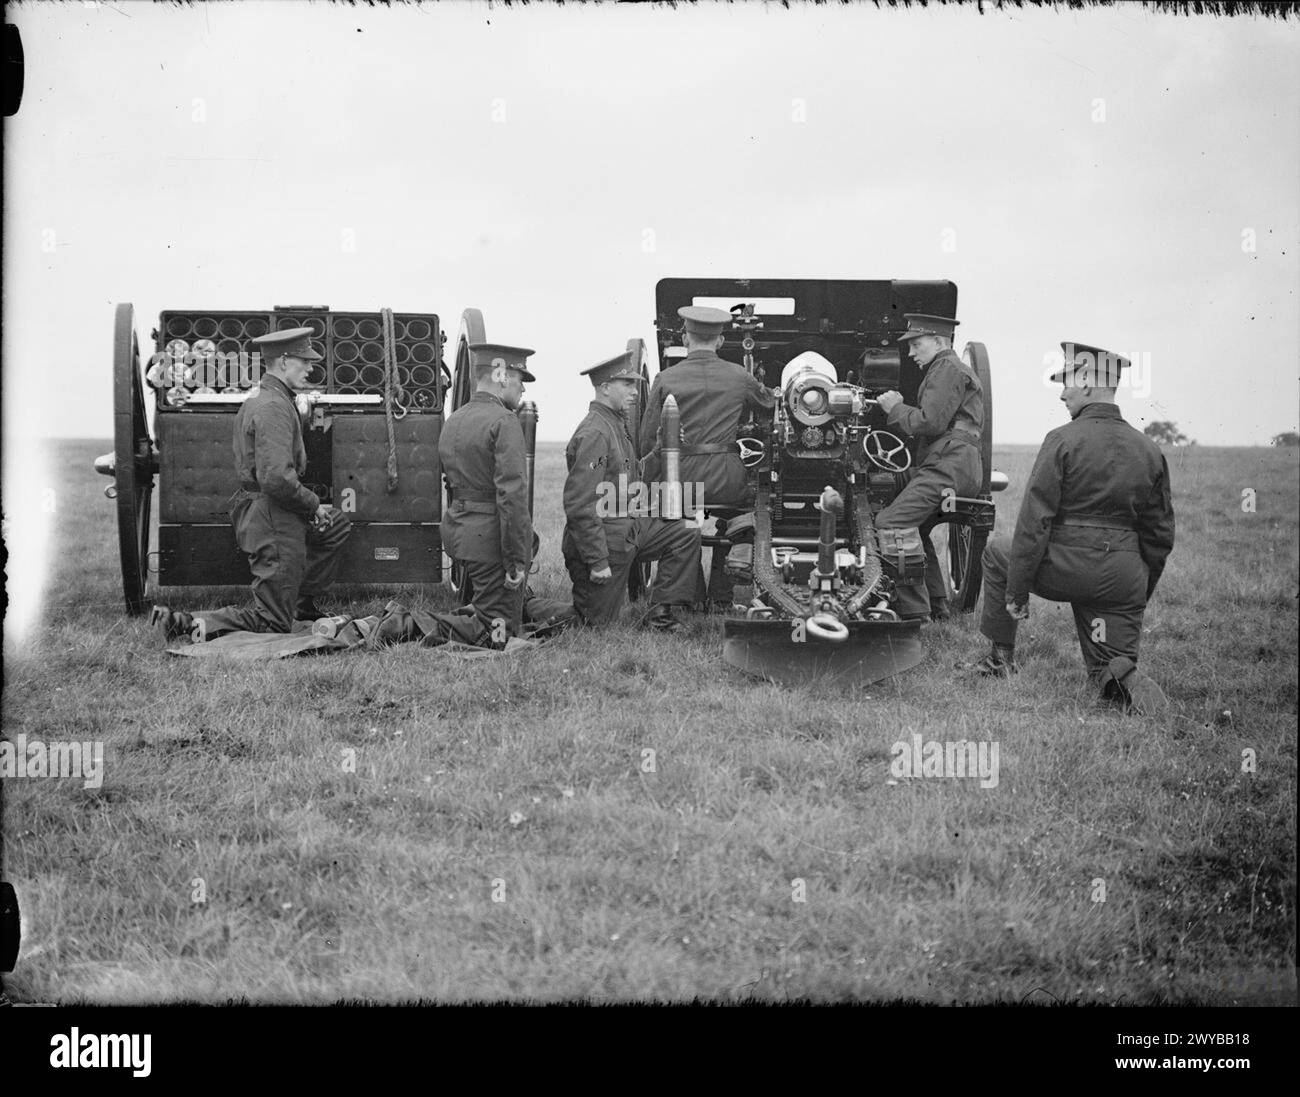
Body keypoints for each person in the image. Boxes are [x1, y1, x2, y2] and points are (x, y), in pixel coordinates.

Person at [968, 342, 1175, 715]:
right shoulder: (1149, 449)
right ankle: (1123, 680)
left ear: (1090, 384)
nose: (1063, 393)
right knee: (1109, 669)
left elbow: (1034, 523)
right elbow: (1160, 535)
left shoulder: (1061, 439)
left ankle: (1000, 660)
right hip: (1122, 579)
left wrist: (1017, 592)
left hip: (1064, 570)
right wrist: (1140, 587)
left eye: (1068, 383)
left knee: (998, 548)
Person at [152, 327, 350, 641]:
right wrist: (313, 503)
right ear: (284, 362)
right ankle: (187, 622)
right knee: (273, 624)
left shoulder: (265, 397)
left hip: (269, 510)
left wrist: (316, 510)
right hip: (273, 516)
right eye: (304, 361)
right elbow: (275, 478)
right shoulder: (273, 407)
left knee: (335, 525)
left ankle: (300, 605)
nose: (311, 368)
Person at [637, 305, 775, 607]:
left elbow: (648, 437)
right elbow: (769, 405)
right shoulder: (739, 376)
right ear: (721, 342)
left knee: (684, 527)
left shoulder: (666, 377)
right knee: (735, 521)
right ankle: (722, 597)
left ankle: (694, 595)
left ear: (685, 339)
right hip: (726, 480)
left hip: (680, 480)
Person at [564, 351, 701, 631]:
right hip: (606, 543)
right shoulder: (595, 433)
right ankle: (527, 607)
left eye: (634, 384)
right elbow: (580, 505)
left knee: (686, 529)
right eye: (626, 385)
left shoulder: (614, 423)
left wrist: (659, 450)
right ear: (604, 388)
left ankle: (660, 615)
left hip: (628, 530)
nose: (634, 392)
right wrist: (597, 561)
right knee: (591, 624)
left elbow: (633, 479)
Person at [874, 312, 984, 621]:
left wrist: (895, 408)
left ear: (938, 341)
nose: (911, 354)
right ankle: (937, 606)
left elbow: (929, 421)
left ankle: (913, 612)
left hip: (947, 466)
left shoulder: (946, 367)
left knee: (891, 523)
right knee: (916, 526)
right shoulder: (945, 368)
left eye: (916, 345)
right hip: (953, 464)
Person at [438, 343, 536, 643]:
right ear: (502, 376)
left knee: (504, 620)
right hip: (489, 540)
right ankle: (404, 624)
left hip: (460, 534)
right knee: (496, 636)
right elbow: (512, 500)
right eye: (520, 380)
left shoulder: (455, 419)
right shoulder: (504, 421)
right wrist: (516, 562)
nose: (522, 389)